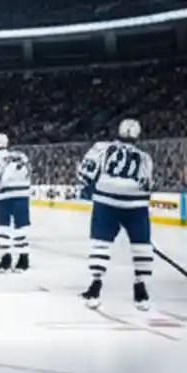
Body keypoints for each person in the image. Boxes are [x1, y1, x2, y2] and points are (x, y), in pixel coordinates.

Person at [76, 119, 155, 310]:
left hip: (106, 201)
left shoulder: (101, 147)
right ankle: (141, 290)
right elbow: (147, 186)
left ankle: (95, 287)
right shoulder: (145, 157)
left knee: (100, 244)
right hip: (136, 205)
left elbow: (85, 172)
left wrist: (89, 189)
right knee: (141, 246)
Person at [0, 133, 32, 272]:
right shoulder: (21, 156)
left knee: (1, 227)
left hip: (4, 196)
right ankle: (23, 259)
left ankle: (6, 259)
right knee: (21, 227)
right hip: (23, 195)